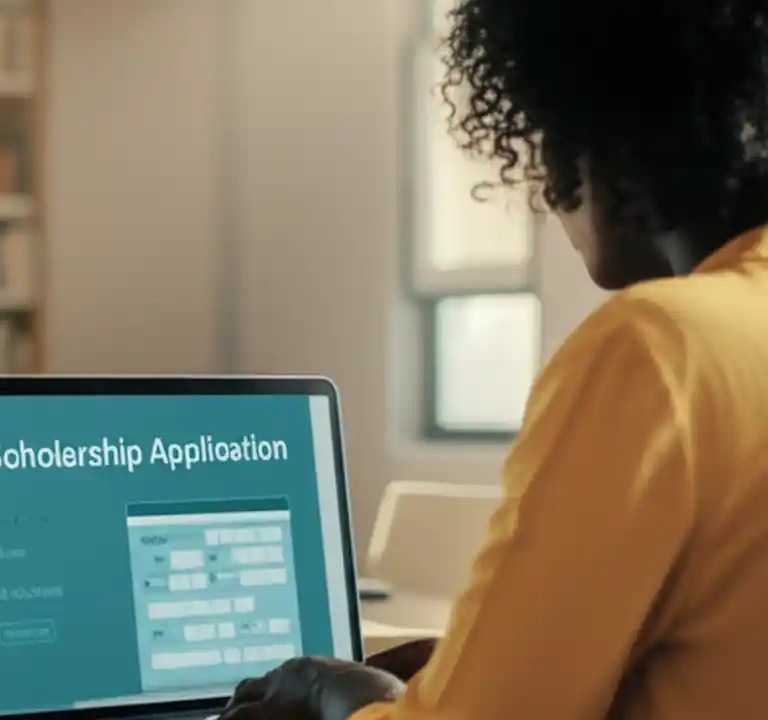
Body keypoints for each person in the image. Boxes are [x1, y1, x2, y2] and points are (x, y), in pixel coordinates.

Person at [220, 2, 768, 718]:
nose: (544, 183)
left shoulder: (660, 348)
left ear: (595, 132)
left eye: (543, 137)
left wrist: (336, 695)